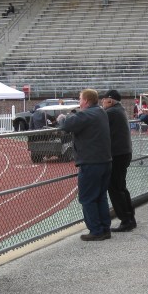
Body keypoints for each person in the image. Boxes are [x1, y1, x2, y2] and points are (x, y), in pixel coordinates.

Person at [57, 89, 113, 241]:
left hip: (91, 163)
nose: (79, 102)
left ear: (86, 101)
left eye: (80, 99)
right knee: (100, 196)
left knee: (87, 198)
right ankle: (104, 228)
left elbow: (66, 125)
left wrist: (62, 118)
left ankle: (96, 230)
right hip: (105, 161)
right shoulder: (101, 112)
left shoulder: (86, 114)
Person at [101, 90, 136, 232]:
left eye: (103, 100)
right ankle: (129, 217)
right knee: (121, 186)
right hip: (124, 153)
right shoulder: (119, 110)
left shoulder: (111, 113)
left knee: (115, 188)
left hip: (117, 154)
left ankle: (126, 219)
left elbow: (96, 121)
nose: (102, 102)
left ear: (110, 100)